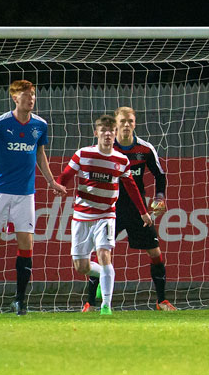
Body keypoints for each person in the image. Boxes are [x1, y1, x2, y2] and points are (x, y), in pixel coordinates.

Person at [0, 80, 67, 316]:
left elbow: (40, 153)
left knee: (26, 242)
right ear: (15, 98)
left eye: (33, 95)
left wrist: (51, 181)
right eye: (26, 95)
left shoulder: (40, 125)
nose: (31, 98)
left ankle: (20, 300)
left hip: (25, 193)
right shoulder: (1, 122)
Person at [80, 106, 175, 312]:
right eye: (122, 121)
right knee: (101, 255)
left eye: (130, 121)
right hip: (109, 209)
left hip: (137, 210)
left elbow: (160, 176)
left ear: (135, 123)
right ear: (115, 125)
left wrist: (159, 198)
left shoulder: (145, 149)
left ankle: (162, 301)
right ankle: (90, 303)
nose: (126, 125)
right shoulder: (105, 149)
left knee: (155, 252)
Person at [57, 114, 154, 315]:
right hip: (82, 215)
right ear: (96, 133)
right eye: (104, 131)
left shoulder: (121, 160)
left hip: (106, 215)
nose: (108, 135)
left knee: (104, 254)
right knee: (81, 266)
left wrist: (143, 212)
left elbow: (132, 187)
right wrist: (59, 186)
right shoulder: (83, 154)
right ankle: (103, 275)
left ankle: (106, 307)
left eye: (111, 132)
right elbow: (66, 175)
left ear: (115, 134)